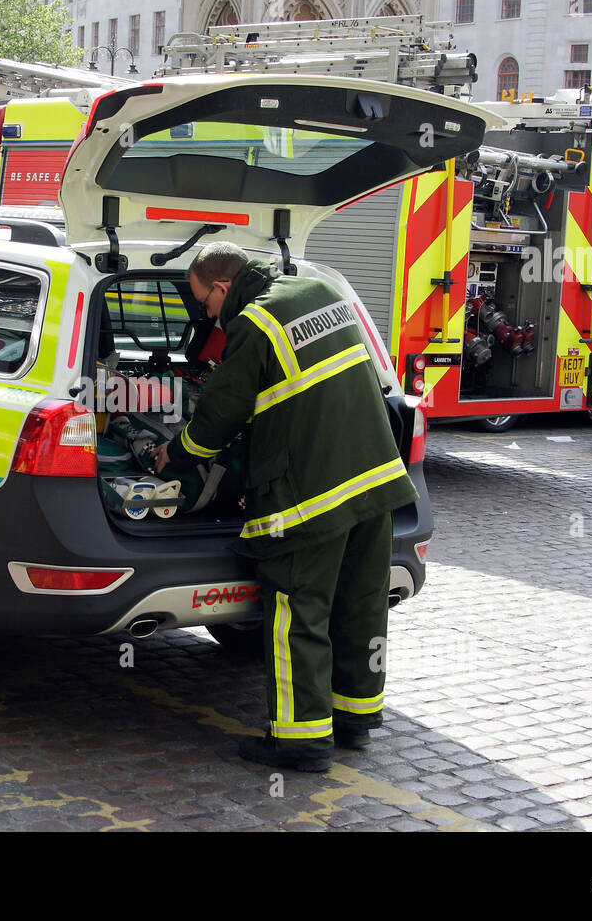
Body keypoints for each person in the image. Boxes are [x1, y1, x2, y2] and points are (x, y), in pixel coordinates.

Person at [154, 242, 419, 772]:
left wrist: (174, 454)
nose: (206, 315)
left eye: (205, 303)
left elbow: (222, 415)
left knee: (298, 608)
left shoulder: (254, 323)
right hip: (377, 479)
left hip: (313, 495)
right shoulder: (323, 290)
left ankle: (301, 742)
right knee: (361, 602)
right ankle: (355, 718)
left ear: (223, 287)